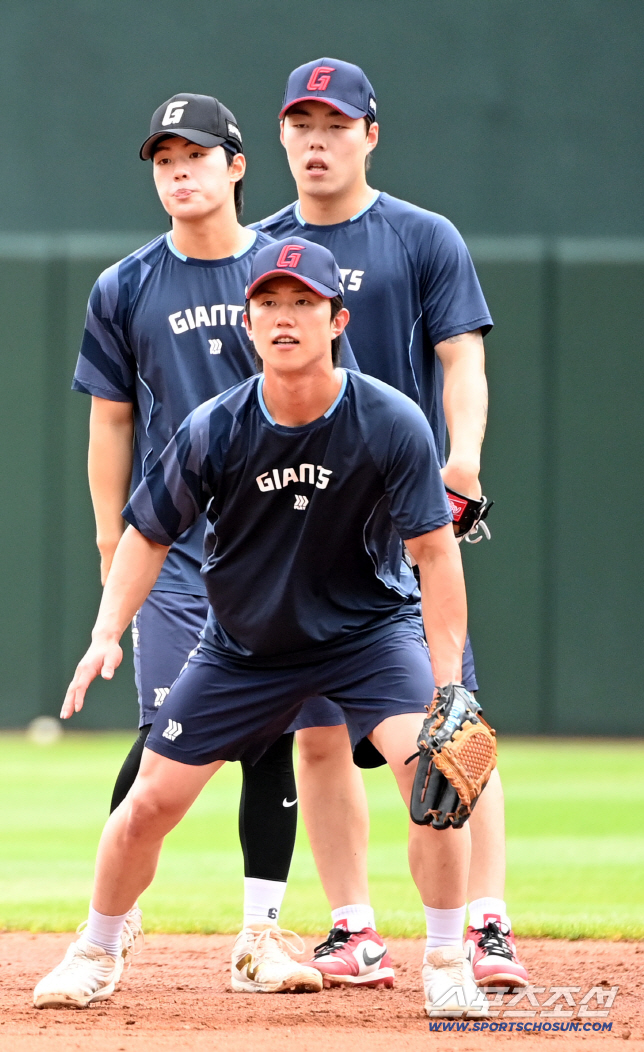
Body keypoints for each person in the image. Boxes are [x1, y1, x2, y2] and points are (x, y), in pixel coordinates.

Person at [34, 238, 489, 1019]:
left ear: (336, 319)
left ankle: (448, 957)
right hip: (244, 648)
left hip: (369, 638)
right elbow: (146, 532)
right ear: (247, 324)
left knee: (438, 777)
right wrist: (107, 630)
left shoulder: (390, 421)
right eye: (268, 305)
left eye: (303, 303)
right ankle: (96, 949)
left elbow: (434, 554)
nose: (285, 318)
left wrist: (447, 678)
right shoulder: (217, 428)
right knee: (146, 805)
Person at [250, 58, 529, 989]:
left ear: (371, 134)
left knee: (456, 723)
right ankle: (353, 927)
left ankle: (486, 923)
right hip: (301, 518)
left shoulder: (421, 235)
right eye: (302, 123)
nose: (317, 139)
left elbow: (461, 357)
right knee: (318, 729)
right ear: (282, 138)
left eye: (336, 123)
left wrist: (465, 455)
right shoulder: (264, 247)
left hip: (400, 517)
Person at [72, 92, 356, 991]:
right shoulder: (125, 285)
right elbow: (110, 424)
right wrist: (110, 541)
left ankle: (259, 937)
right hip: (169, 545)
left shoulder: (282, 278)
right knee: (167, 732)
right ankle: (110, 926)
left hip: (273, 544)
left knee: (270, 732)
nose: (180, 171)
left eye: (196, 154)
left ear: (237, 166)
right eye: (164, 159)